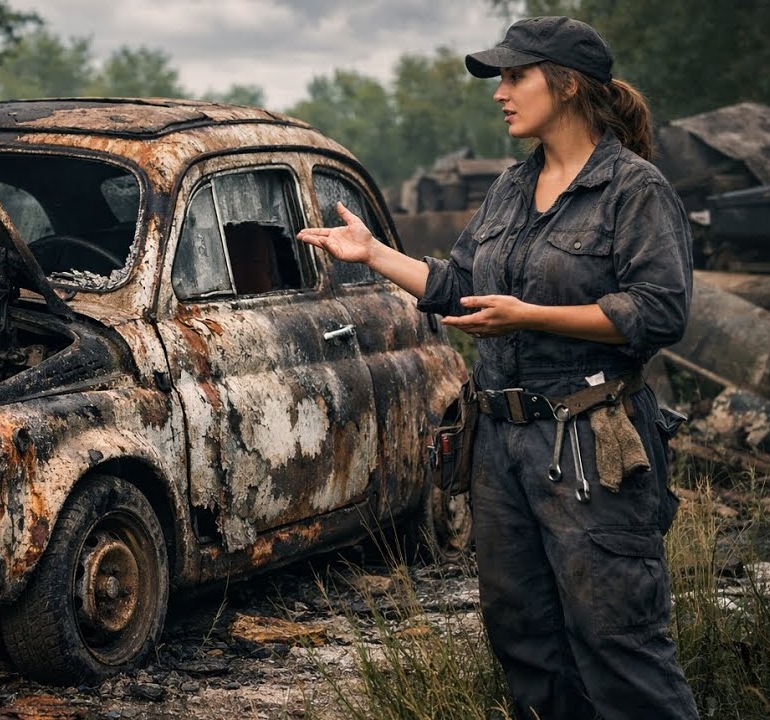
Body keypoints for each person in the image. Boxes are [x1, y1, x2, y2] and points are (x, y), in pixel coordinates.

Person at [297, 16, 699, 720]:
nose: (499, 93)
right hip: (502, 449)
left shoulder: (633, 190)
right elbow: (459, 285)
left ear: (567, 84)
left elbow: (658, 313)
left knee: (619, 648)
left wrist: (530, 315)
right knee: (527, 645)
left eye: (515, 76)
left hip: (588, 446)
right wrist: (372, 255)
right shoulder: (513, 188)